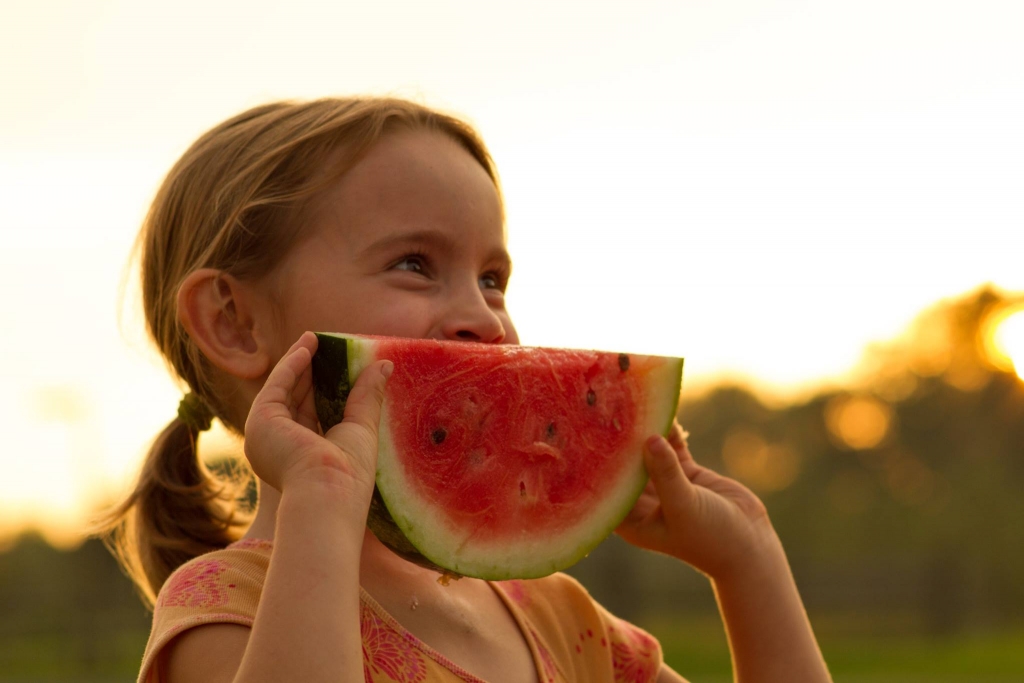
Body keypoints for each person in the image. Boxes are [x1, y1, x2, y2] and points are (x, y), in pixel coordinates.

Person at [100, 97, 832, 683]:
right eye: (415, 264)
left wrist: (749, 563)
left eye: (492, 278)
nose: (483, 317)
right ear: (233, 321)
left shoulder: (560, 620)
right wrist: (323, 498)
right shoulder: (225, 611)